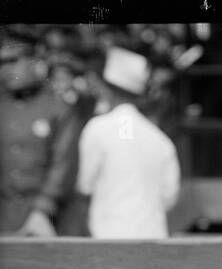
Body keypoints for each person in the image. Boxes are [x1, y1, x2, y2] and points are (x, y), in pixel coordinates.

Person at [76, 46, 180, 239]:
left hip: (107, 240)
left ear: (107, 90)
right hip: (153, 239)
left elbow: (84, 186)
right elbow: (169, 196)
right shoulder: (160, 140)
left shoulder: (97, 129)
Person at [0, 25, 80, 237]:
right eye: (2, 63)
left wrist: (43, 208)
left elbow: (63, 164)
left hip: (45, 221)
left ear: (35, 61)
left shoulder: (58, 108)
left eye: (13, 61)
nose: (7, 70)